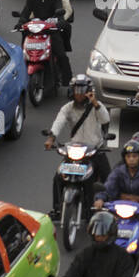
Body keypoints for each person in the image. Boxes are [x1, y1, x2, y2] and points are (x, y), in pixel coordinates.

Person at [45, 74, 111, 219]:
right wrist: (51, 138)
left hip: (94, 150)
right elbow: (59, 122)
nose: (79, 94)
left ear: (89, 91)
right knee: (58, 178)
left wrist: (95, 103)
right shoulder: (67, 108)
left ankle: (109, 210)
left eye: (82, 90)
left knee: (109, 179)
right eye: (76, 90)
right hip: (74, 149)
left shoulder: (96, 107)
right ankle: (57, 210)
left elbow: (105, 118)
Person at [94, 141, 139, 248]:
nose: (131, 159)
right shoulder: (118, 172)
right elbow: (108, 187)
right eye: (128, 156)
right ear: (124, 158)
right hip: (117, 212)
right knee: (99, 230)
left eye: (134, 156)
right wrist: (100, 199)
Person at [15, 0, 72, 88]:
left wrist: (58, 21)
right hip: (36, 28)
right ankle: (19, 80)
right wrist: (21, 23)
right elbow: (25, 13)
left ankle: (68, 82)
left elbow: (59, 9)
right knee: (21, 52)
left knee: (61, 55)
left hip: (50, 28)